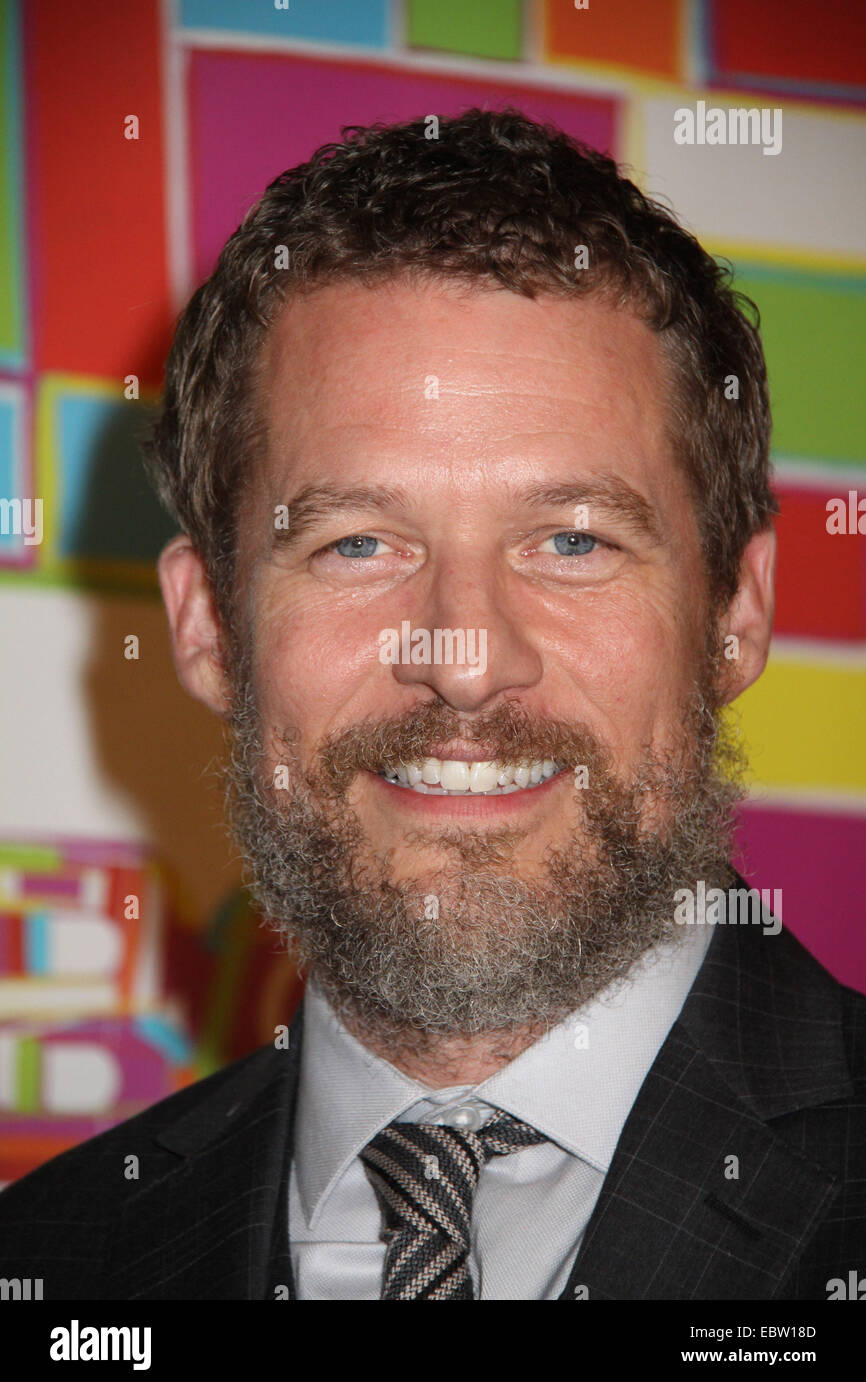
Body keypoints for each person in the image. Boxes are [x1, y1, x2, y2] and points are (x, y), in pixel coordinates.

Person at [1, 108, 863, 1301]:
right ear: (204, 625)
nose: (463, 657)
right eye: (358, 543)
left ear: (735, 613)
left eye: (570, 539)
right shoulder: (49, 1259)